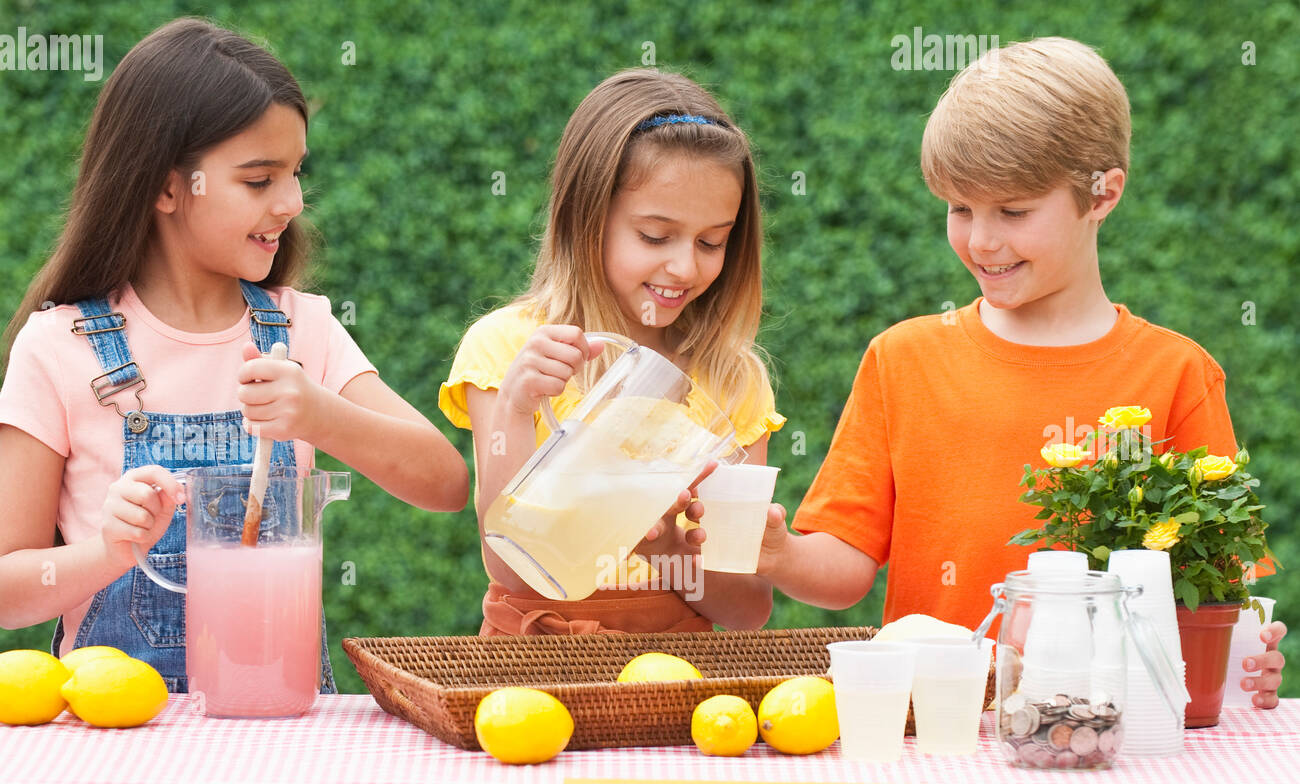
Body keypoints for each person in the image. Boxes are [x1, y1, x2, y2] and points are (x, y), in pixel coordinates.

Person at [757, 36, 1285, 707]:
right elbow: (846, 569)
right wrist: (777, 555)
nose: (981, 240)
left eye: (1013, 211)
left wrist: (1248, 655)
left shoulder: (1178, 373)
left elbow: (1222, 592)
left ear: (1102, 195)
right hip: (935, 729)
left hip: (1103, 734)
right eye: (960, 209)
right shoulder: (903, 359)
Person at [0, 18, 468, 691]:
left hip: (281, 735)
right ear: (166, 188)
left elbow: (445, 483)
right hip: (119, 741)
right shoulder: (59, 347)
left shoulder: (300, 328)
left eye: (296, 172)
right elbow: (11, 586)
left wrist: (321, 417)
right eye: (258, 180)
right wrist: (108, 552)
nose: (292, 201)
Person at [439, 68, 783, 636]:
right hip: (531, 670)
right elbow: (511, 568)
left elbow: (746, 612)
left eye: (711, 241)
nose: (685, 267)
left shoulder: (733, 379)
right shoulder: (511, 349)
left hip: (674, 680)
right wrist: (515, 410)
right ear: (585, 219)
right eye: (654, 236)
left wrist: (671, 548)